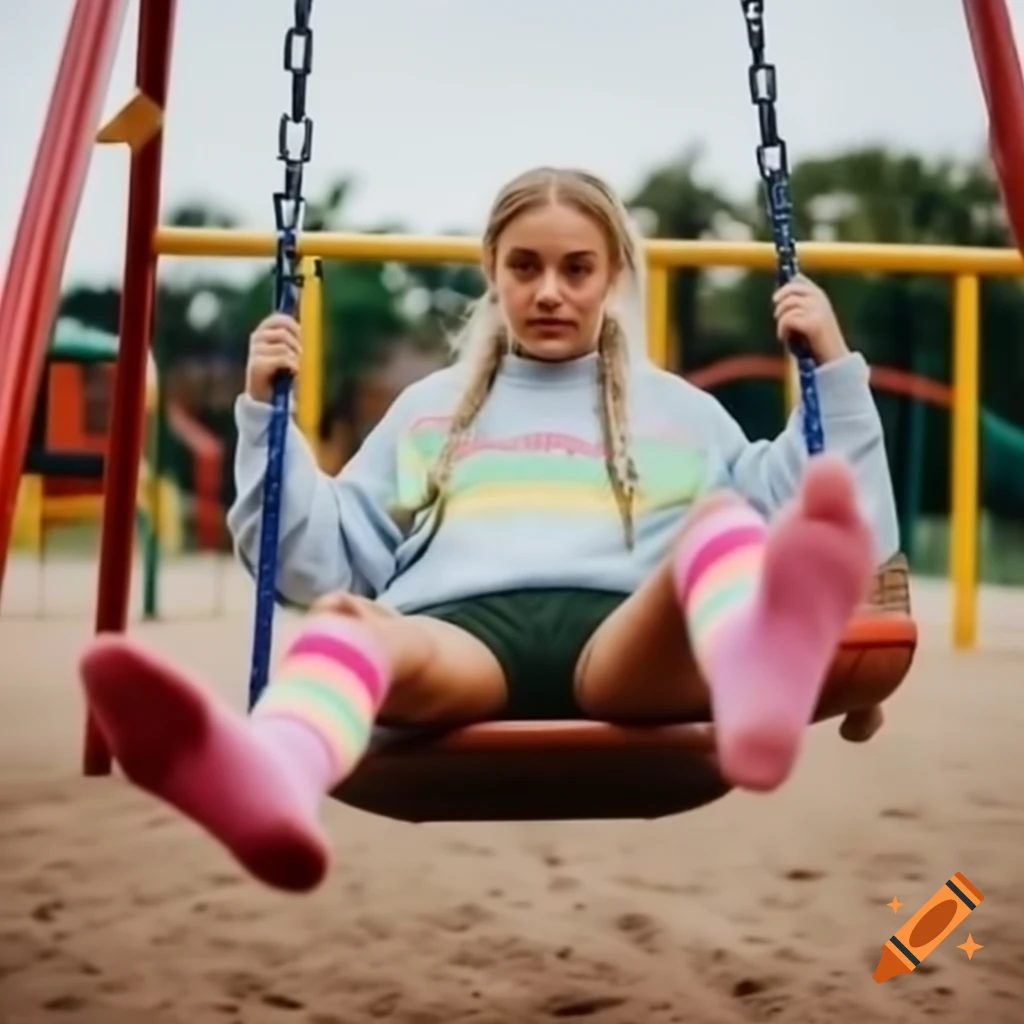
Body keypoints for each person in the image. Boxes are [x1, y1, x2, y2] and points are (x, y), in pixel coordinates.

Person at [78, 166, 900, 894]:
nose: (551, 291)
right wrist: (266, 415)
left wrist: (830, 361)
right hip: (462, 639)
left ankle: (759, 686)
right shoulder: (430, 411)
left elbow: (829, 503)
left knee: (718, 532)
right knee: (349, 624)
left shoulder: (682, 413)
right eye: (526, 267)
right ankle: (272, 776)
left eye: (577, 269)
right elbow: (319, 556)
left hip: (624, 646)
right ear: (492, 274)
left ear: (613, 275)